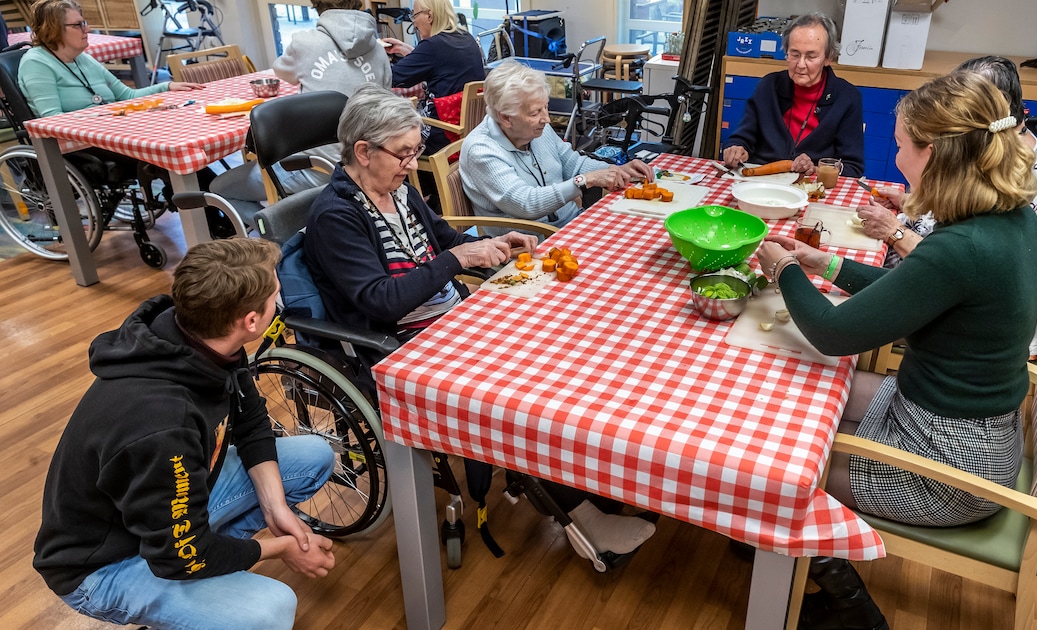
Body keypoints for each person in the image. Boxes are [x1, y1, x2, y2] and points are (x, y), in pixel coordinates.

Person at [305, 84, 656, 561]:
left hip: (448, 317)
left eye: (415, 152)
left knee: (558, 349)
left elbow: (445, 237)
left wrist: (491, 241)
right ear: (363, 152)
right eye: (404, 154)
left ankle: (583, 481)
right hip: (398, 343)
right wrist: (457, 256)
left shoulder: (398, 191)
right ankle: (583, 518)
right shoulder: (336, 216)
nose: (412, 164)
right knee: (521, 392)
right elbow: (381, 301)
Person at [756, 73, 1037, 630]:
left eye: (900, 145)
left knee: (783, 470)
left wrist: (785, 268)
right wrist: (826, 265)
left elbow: (834, 336)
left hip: (949, 469)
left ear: (931, 153)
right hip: (975, 429)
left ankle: (850, 608)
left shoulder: (961, 247)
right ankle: (779, 556)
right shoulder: (1010, 220)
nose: (896, 155)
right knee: (794, 401)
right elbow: (917, 288)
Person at [33, 238, 338, 630]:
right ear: (250, 320)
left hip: (157, 514)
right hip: (101, 565)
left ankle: (205, 574)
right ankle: (199, 586)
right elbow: (180, 555)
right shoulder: (162, 425)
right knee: (271, 609)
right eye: (276, 292)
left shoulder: (206, 337)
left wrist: (277, 509)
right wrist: (281, 549)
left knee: (314, 455)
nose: (280, 297)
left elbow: (250, 420)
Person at [856, 56, 1037, 269]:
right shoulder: (1002, 149)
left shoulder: (1015, 177)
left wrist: (894, 232)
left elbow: (954, 264)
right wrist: (909, 200)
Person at [17, 0, 206, 211]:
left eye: (84, 23)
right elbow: (51, 119)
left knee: (182, 143)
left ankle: (214, 209)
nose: (86, 29)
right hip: (82, 144)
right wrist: (101, 118)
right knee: (169, 151)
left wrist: (168, 87)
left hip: (112, 134)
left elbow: (127, 95)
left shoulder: (83, 59)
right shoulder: (36, 63)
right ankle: (208, 214)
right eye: (78, 25)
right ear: (54, 29)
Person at [211, 0, 394, 206]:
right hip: (370, 163)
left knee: (218, 189)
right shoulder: (378, 50)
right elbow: (385, 98)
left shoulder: (305, 43)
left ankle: (279, 232)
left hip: (319, 167)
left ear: (316, 6)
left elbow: (281, 71)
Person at [459, 60, 655, 235]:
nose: (546, 119)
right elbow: (526, 203)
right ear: (505, 117)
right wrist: (584, 181)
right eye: (536, 112)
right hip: (528, 247)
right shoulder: (481, 151)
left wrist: (615, 170)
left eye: (545, 107)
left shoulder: (534, 129)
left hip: (571, 225)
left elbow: (573, 163)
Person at [721, 12, 864, 178]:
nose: (801, 65)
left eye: (811, 56)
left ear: (828, 58)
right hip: (761, 180)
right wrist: (736, 148)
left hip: (811, 185)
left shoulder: (847, 97)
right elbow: (742, 137)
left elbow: (853, 167)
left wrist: (817, 170)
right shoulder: (768, 86)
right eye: (794, 54)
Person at [381, 0, 485, 154]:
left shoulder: (432, 46)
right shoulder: (466, 38)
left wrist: (376, 56)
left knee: (383, 142)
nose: (414, 23)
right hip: (469, 133)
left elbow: (390, 77)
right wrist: (406, 49)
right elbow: (437, 62)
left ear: (429, 16)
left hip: (441, 136)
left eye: (414, 15)